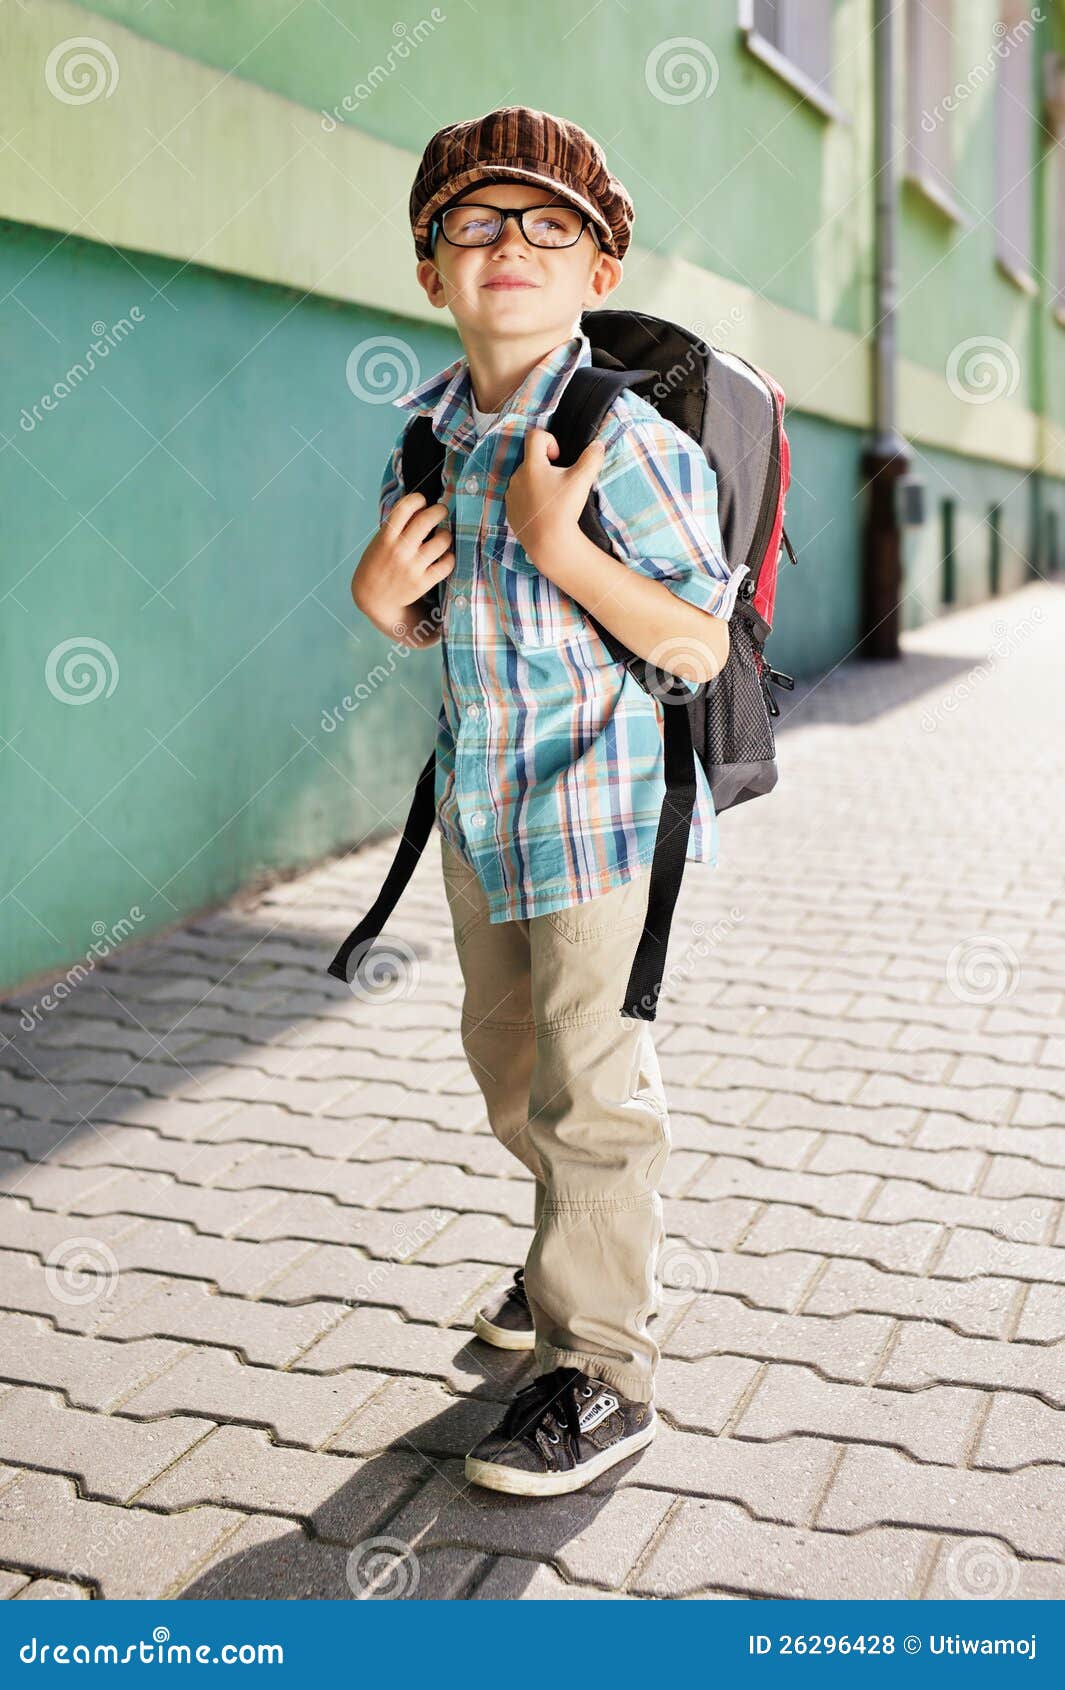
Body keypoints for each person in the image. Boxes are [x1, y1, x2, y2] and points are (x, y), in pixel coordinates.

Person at [350, 106, 748, 1498]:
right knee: (510, 1070)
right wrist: (384, 606)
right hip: (478, 813)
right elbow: (449, 621)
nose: (508, 245)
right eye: (473, 222)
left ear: (596, 268)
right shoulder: (428, 437)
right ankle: (579, 1245)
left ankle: (601, 1367)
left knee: (590, 1091)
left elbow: (694, 645)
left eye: (547, 226)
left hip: (601, 823)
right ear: (428, 269)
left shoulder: (622, 439)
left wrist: (559, 545)